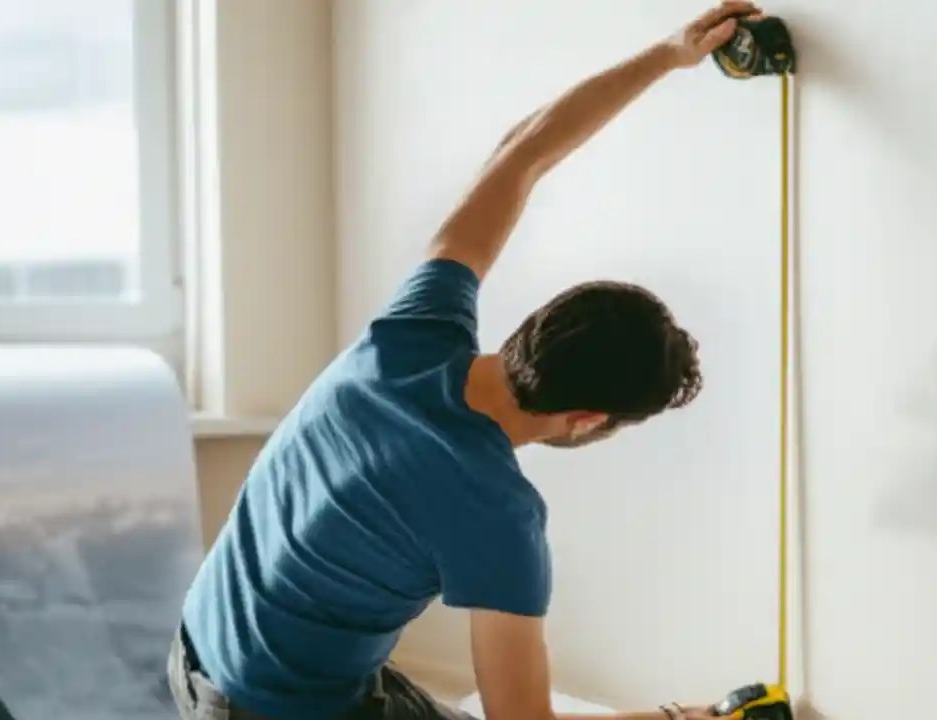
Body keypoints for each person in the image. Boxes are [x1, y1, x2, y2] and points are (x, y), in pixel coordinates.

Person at [170, 3, 762, 719]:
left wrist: (668, 53)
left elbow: (526, 152)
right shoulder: (497, 510)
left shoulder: (416, 329)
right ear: (586, 419)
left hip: (198, 645)